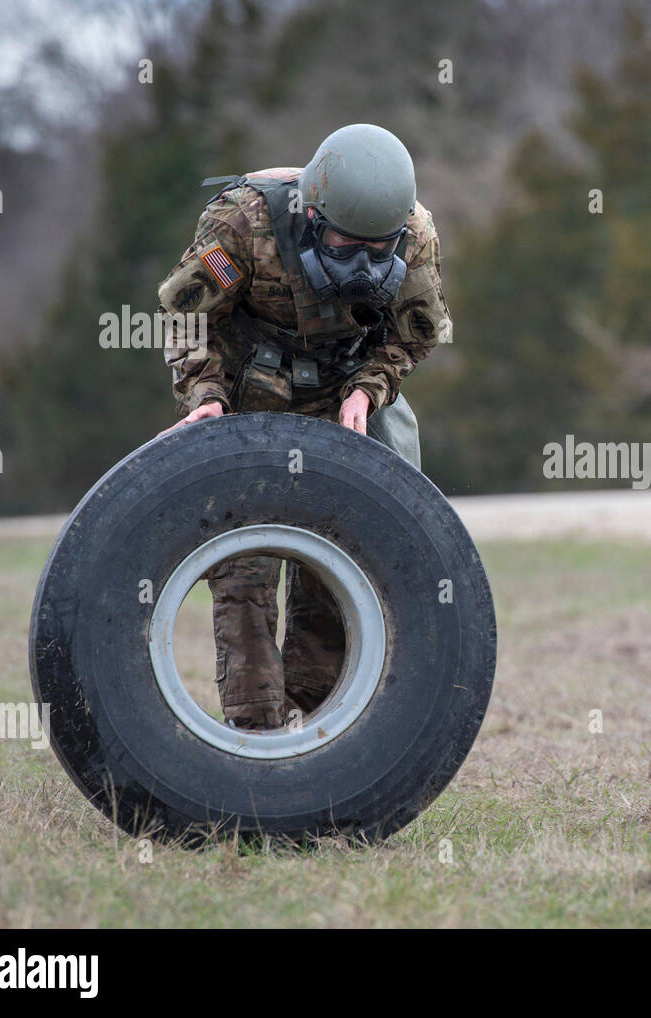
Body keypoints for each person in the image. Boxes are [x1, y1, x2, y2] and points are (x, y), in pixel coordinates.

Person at [157, 123, 449, 731]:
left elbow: (417, 332)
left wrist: (370, 390)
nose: (364, 264)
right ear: (313, 214)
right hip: (244, 402)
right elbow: (186, 318)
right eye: (347, 246)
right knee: (244, 578)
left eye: (379, 250)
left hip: (345, 404)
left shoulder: (415, 234)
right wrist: (204, 398)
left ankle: (310, 744)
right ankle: (257, 742)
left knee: (337, 576)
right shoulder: (241, 224)